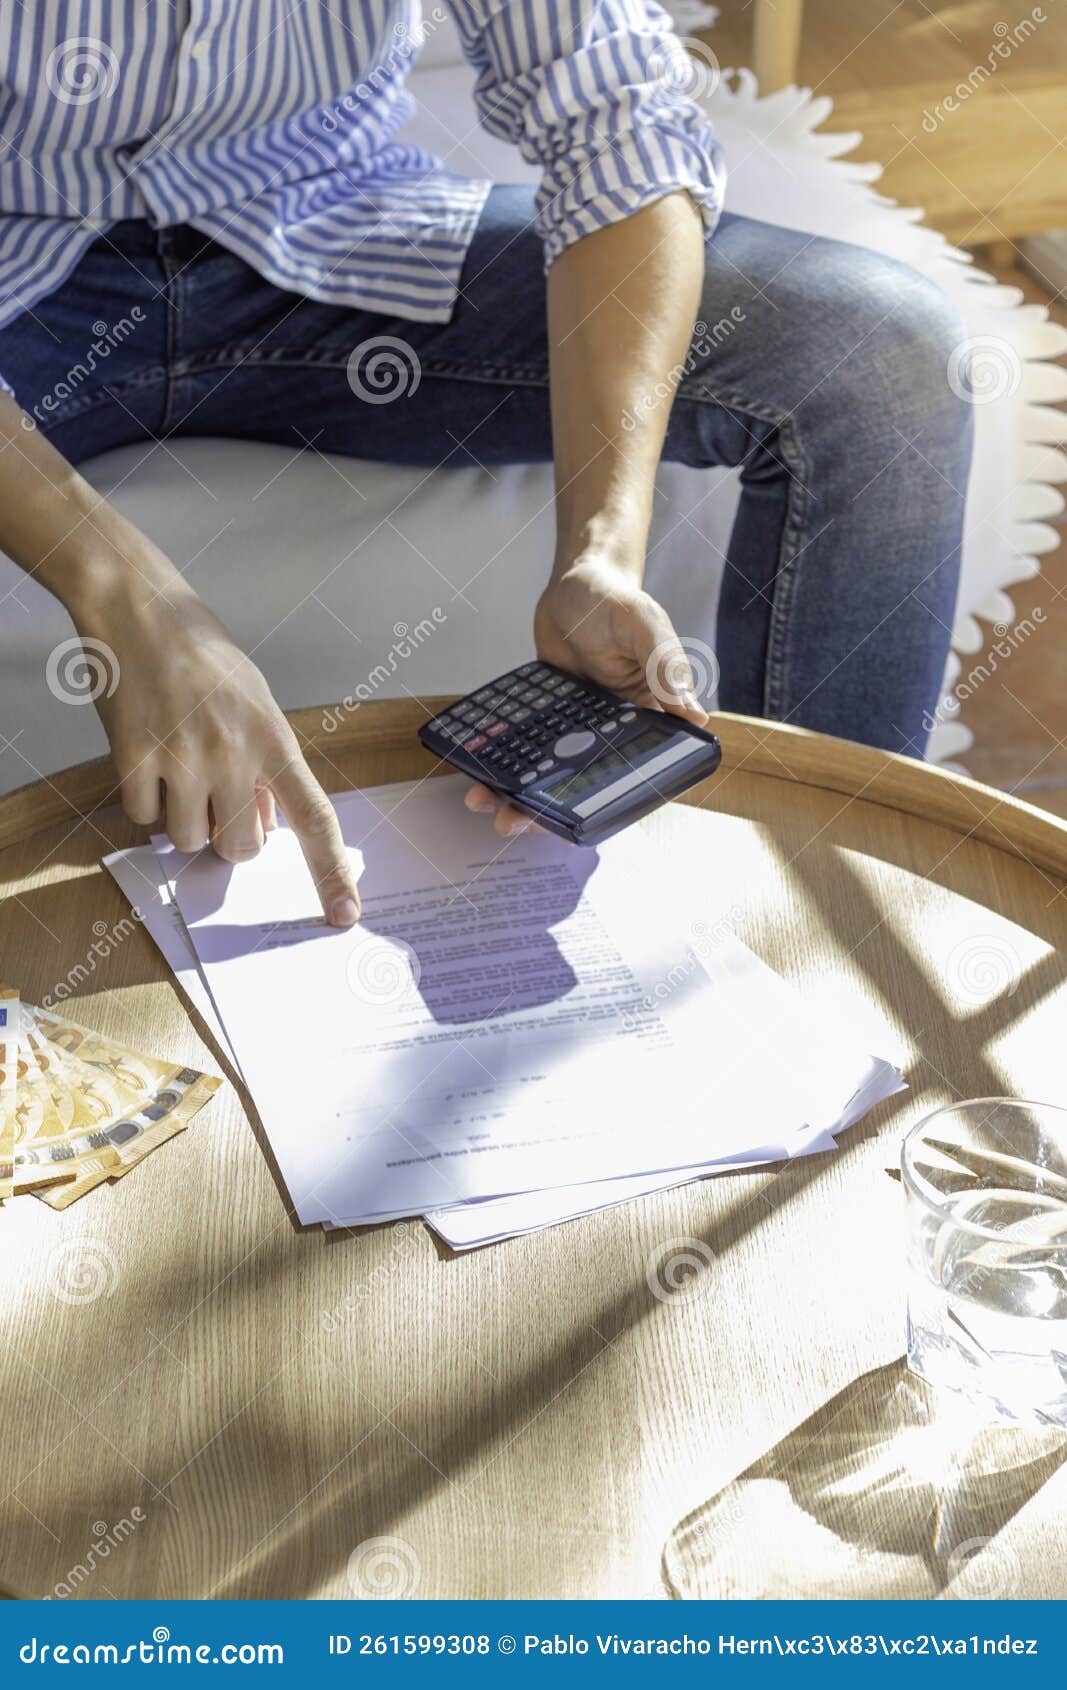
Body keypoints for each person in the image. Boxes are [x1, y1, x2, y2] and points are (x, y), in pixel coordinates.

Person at [0, 3, 972, 924]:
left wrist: (601, 550)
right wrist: (131, 597)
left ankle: (829, 913)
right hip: (22, 279)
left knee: (884, 361)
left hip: (330, 235)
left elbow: (616, 120)